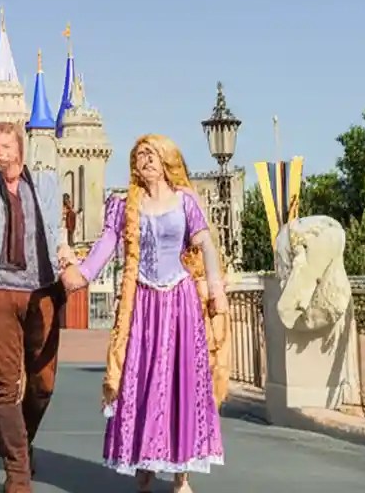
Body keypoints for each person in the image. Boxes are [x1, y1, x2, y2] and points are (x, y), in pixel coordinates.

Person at [60, 134, 227, 493]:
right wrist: (83, 274)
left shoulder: (185, 201)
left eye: (152, 155)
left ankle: (182, 474)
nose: (145, 161)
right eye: (139, 156)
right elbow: (106, 244)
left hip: (180, 301)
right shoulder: (124, 205)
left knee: (182, 381)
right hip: (144, 303)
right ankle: (145, 460)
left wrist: (216, 290)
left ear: (166, 161)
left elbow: (206, 246)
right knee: (143, 380)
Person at [0, 121, 72, 493]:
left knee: (43, 384)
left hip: (42, 289)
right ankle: (17, 473)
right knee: (6, 384)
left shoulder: (45, 184)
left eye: (5, 146)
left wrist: (67, 255)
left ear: (20, 148)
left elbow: (58, 231)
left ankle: (20, 441)